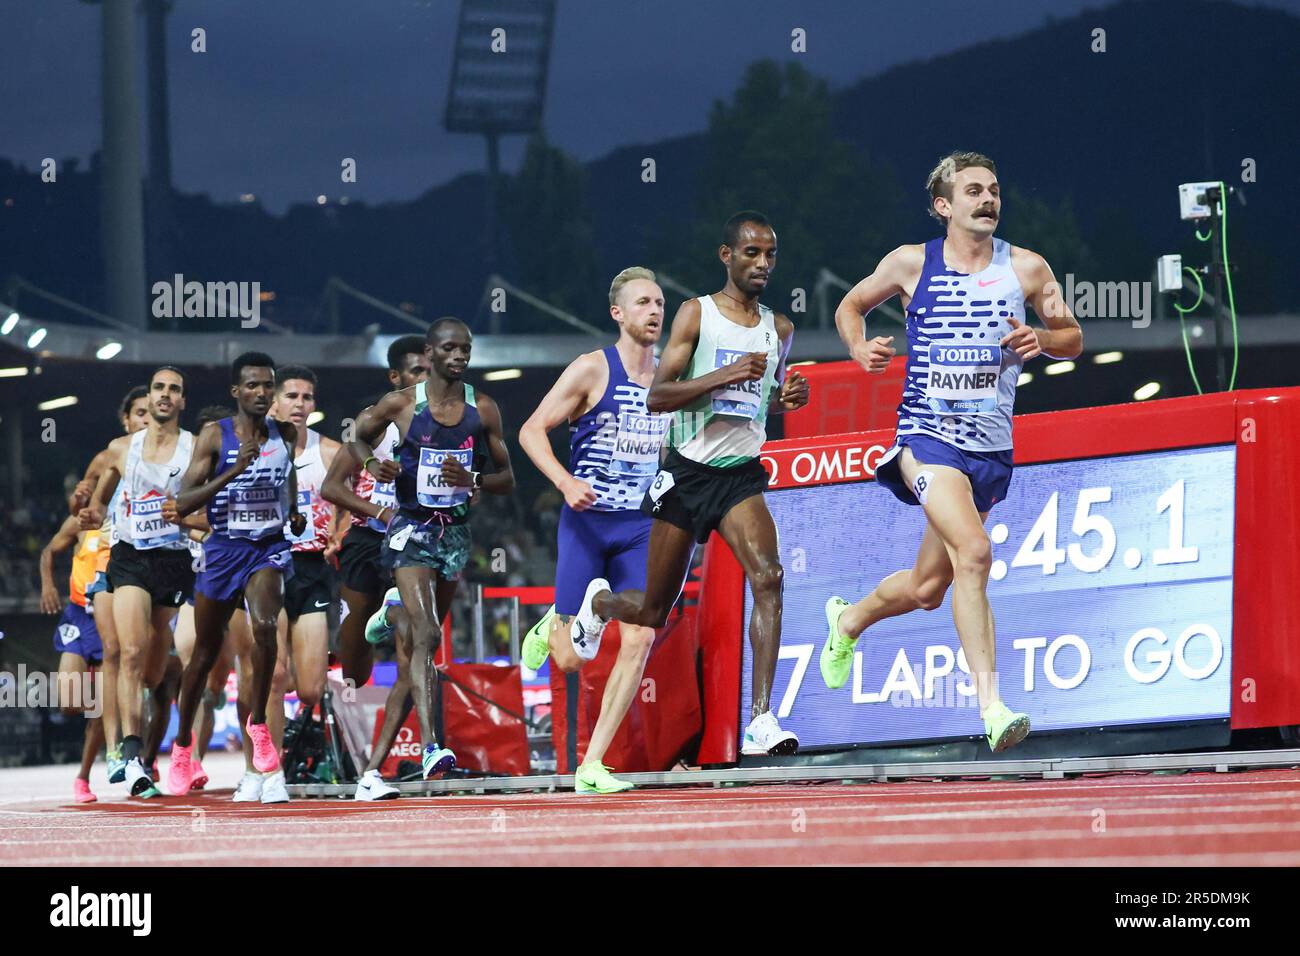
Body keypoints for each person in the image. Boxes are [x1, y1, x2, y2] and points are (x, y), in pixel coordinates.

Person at [821, 151, 1084, 753]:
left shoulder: (1026, 268)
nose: (988, 199)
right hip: (926, 438)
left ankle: (848, 620)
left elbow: (1072, 337)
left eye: (994, 190)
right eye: (973, 191)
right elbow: (849, 306)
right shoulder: (912, 263)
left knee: (926, 588)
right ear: (944, 206)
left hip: (990, 450)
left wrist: (1040, 339)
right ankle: (993, 708)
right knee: (974, 551)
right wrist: (859, 348)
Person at [571, 212, 810, 757]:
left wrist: (785, 399)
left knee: (768, 576)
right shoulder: (695, 314)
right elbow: (659, 395)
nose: (762, 264)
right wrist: (726, 373)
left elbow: (761, 396)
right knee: (653, 612)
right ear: (727, 256)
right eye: (751, 253)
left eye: (770, 255)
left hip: (739, 476)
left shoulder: (780, 329)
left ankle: (761, 719)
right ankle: (601, 603)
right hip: (685, 473)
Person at [516, 266, 671, 793]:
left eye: (660, 303)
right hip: (586, 522)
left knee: (643, 634)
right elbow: (531, 430)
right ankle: (548, 628)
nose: (655, 311)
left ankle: (592, 764)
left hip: (639, 526)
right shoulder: (591, 369)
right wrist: (564, 481)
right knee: (568, 660)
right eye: (644, 303)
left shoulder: (674, 373)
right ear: (618, 313)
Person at [342, 318, 515, 781]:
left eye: (466, 349)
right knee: (428, 635)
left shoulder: (485, 409)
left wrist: (474, 479)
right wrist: (371, 462)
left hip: (453, 536)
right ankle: (432, 747)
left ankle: (371, 773)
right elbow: (355, 436)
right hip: (410, 531)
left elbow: (507, 479)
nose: (460, 356)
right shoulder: (401, 405)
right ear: (432, 353)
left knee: (419, 650)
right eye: (450, 349)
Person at [166, 352, 307, 803]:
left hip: (267, 548)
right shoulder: (214, 435)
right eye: (253, 386)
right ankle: (184, 744)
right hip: (222, 550)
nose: (262, 393)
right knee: (203, 656)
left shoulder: (284, 433)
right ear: (236, 392)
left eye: (268, 385)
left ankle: (260, 726)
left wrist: (296, 514)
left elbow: (287, 483)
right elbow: (182, 503)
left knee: (266, 630)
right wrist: (233, 470)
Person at [79, 367, 195, 796]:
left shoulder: (196, 449)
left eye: (174, 390)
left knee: (150, 672)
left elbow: (209, 508)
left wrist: (184, 514)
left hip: (174, 561)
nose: (165, 396)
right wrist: (90, 512)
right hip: (129, 558)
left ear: (182, 401)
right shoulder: (121, 449)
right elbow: (97, 500)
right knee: (127, 652)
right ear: (149, 396)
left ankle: (141, 744)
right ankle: (131, 754)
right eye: (159, 388)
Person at [322, 335, 431, 691]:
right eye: (417, 371)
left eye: (431, 371)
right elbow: (332, 487)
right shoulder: (371, 422)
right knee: (354, 669)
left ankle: (417, 730)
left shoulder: (450, 424)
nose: (426, 379)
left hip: (417, 543)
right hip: (367, 541)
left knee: (414, 642)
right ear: (394, 378)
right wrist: (380, 512)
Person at [73, 385, 149, 785]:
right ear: (126, 420)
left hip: (155, 564)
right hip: (107, 561)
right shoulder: (110, 455)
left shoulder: (167, 454)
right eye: (138, 413)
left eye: (149, 412)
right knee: (114, 652)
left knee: (147, 663)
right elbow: (83, 505)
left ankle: (142, 745)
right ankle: (118, 748)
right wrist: (82, 497)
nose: (145, 419)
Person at [267, 365, 342, 754]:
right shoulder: (255, 448)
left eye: (307, 397)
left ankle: (273, 722)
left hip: (312, 569)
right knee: (276, 674)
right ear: (274, 400)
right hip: (265, 565)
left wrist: (339, 532)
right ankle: (270, 769)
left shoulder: (328, 451)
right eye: (292, 396)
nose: (300, 404)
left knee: (310, 687)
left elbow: (351, 499)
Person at [171, 405, 238, 792]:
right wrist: (201, 529)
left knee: (214, 687)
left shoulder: (242, 473)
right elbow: (173, 511)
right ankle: (191, 760)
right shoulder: (191, 477)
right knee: (189, 661)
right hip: (198, 585)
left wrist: (202, 526)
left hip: (237, 584)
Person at [39, 509, 106, 803]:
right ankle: (115, 706)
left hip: (110, 616)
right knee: (69, 704)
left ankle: (83, 777)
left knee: (101, 709)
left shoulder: (123, 519)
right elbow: (48, 551)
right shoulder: (80, 522)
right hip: (79, 616)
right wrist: (48, 584)